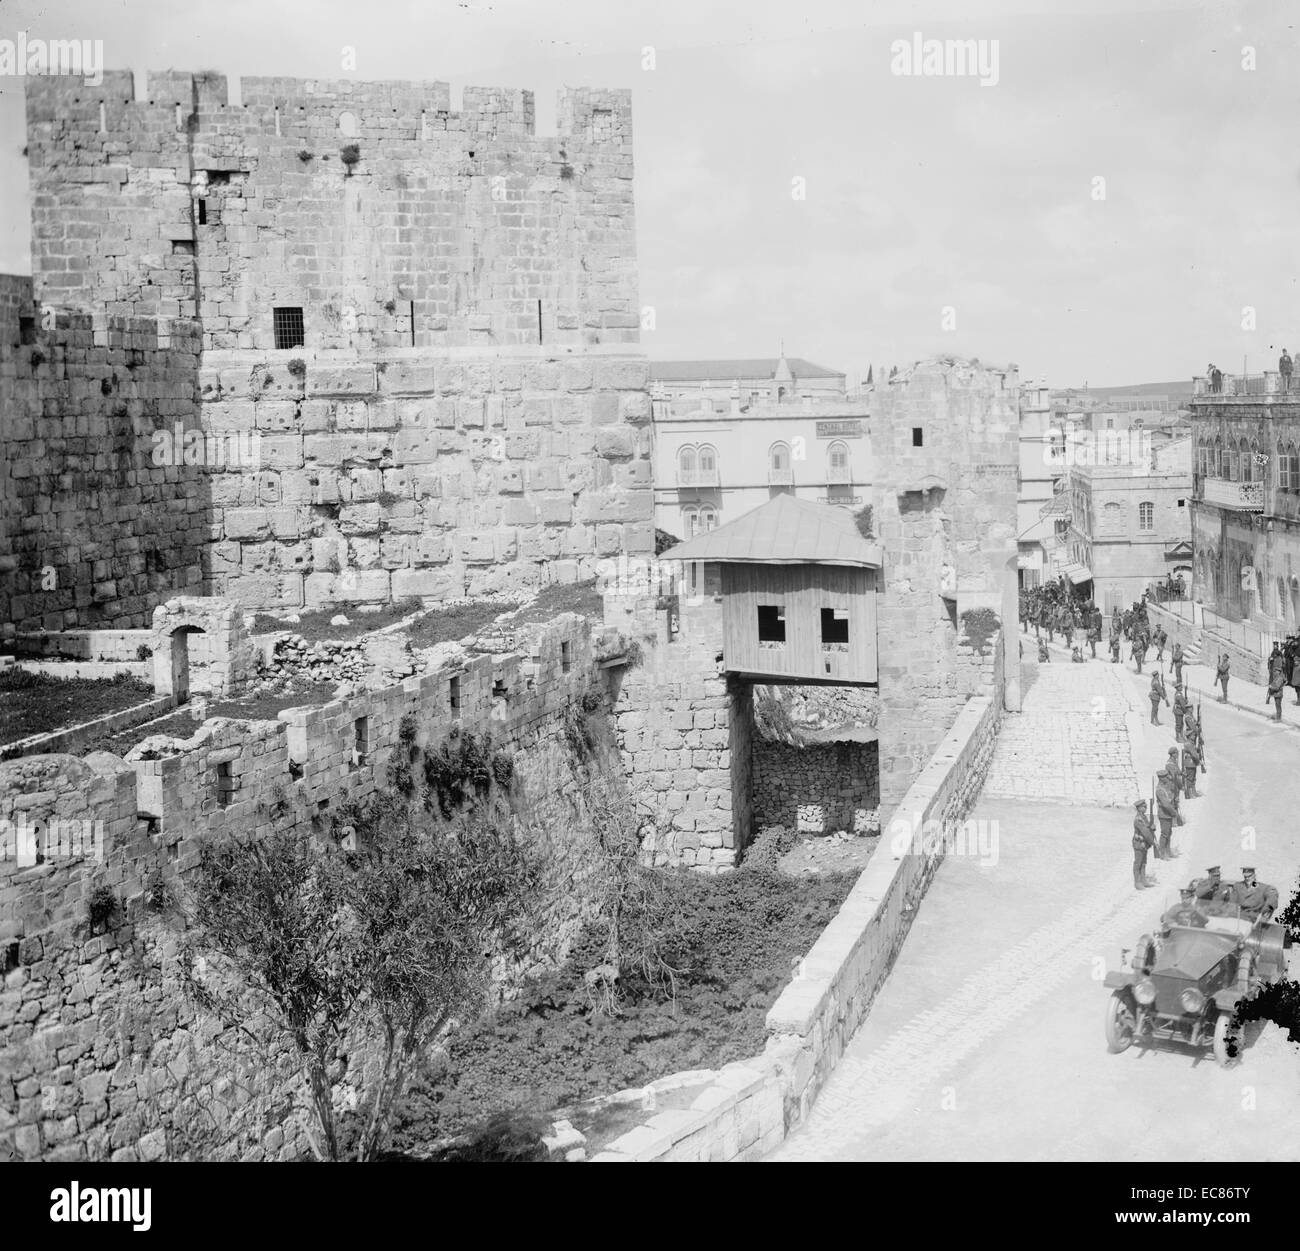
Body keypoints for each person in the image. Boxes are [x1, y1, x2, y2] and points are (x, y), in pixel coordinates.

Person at [1132, 800, 1156, 890]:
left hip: (1144, 843)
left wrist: (1152, 826)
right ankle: (1137, 882)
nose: (1145, 808)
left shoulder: (1144, 817)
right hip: (1139, 843)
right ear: (1139, 808)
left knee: (1143, 862)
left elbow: (1148, 827)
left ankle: (1143, 880)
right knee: (1138, 863)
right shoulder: (1138, 819)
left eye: (1146, 806)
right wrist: (1153, 842)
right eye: (1144, 806)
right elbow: (1145, 832)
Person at [1154, 777, 1180, 860]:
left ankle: (1168, 852)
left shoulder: (1164, 787)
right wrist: (1174, 812)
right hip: (1164, 814)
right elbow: (1165, 804)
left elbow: (1169, 798)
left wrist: (1174, 798)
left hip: (1167, 813)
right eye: (1165, 777)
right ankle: (1162, 854)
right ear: (1161, 779)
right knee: (1165, 834)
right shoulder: (1159, 790)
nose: (1167, 778)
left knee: (1169, 832)